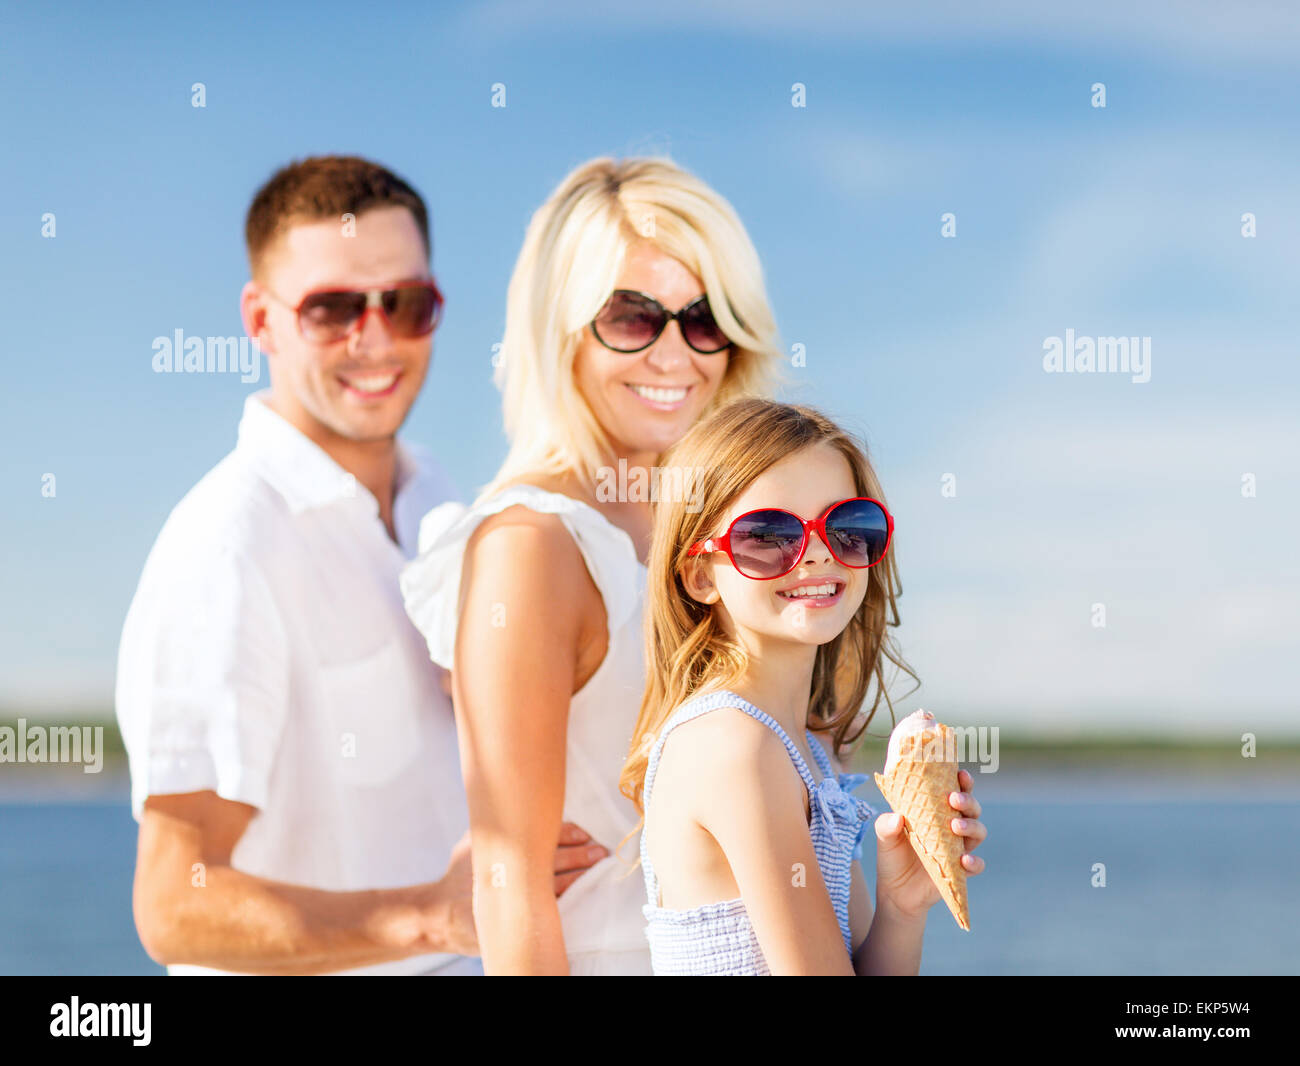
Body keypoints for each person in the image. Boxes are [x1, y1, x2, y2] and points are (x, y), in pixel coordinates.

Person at [116, 155, 604, 976]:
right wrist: (429, 918)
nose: (374, 337)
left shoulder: (439, 497)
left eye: (405, 304)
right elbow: (172, 905)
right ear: (261, 321)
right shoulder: (227, 545)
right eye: (333, 308)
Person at [401, 157, 784, 974]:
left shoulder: (745, 527)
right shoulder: (531, 546)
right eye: (633, 317)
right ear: (561, 326)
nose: (676, 354)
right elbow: (511, 893)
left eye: (705, 318)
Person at [621, 398, 989, 975]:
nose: (817, 553)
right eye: (768, 534)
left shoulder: (802, 749)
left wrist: (902, 902)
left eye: (847, 526)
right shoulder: (733, 746)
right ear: (698, 575)